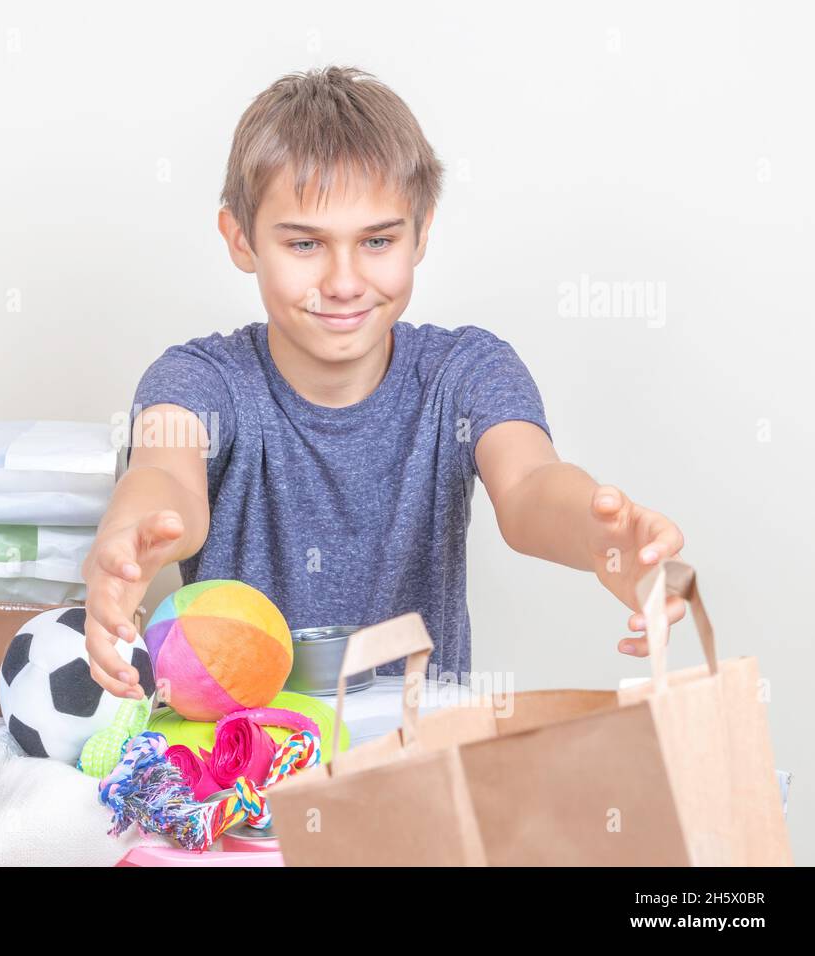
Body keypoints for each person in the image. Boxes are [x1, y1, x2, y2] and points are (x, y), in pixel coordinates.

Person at [82, 66, 685, 700]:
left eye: (377, 240)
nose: (344, 281)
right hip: (241, 766)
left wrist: (601, 539)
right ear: (240, 239)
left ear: (422, 232)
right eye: (305, 244)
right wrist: (128, 536)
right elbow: (166, 476)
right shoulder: (198, 379)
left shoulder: (465, 373)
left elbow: (532, 487)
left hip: (412, 762)